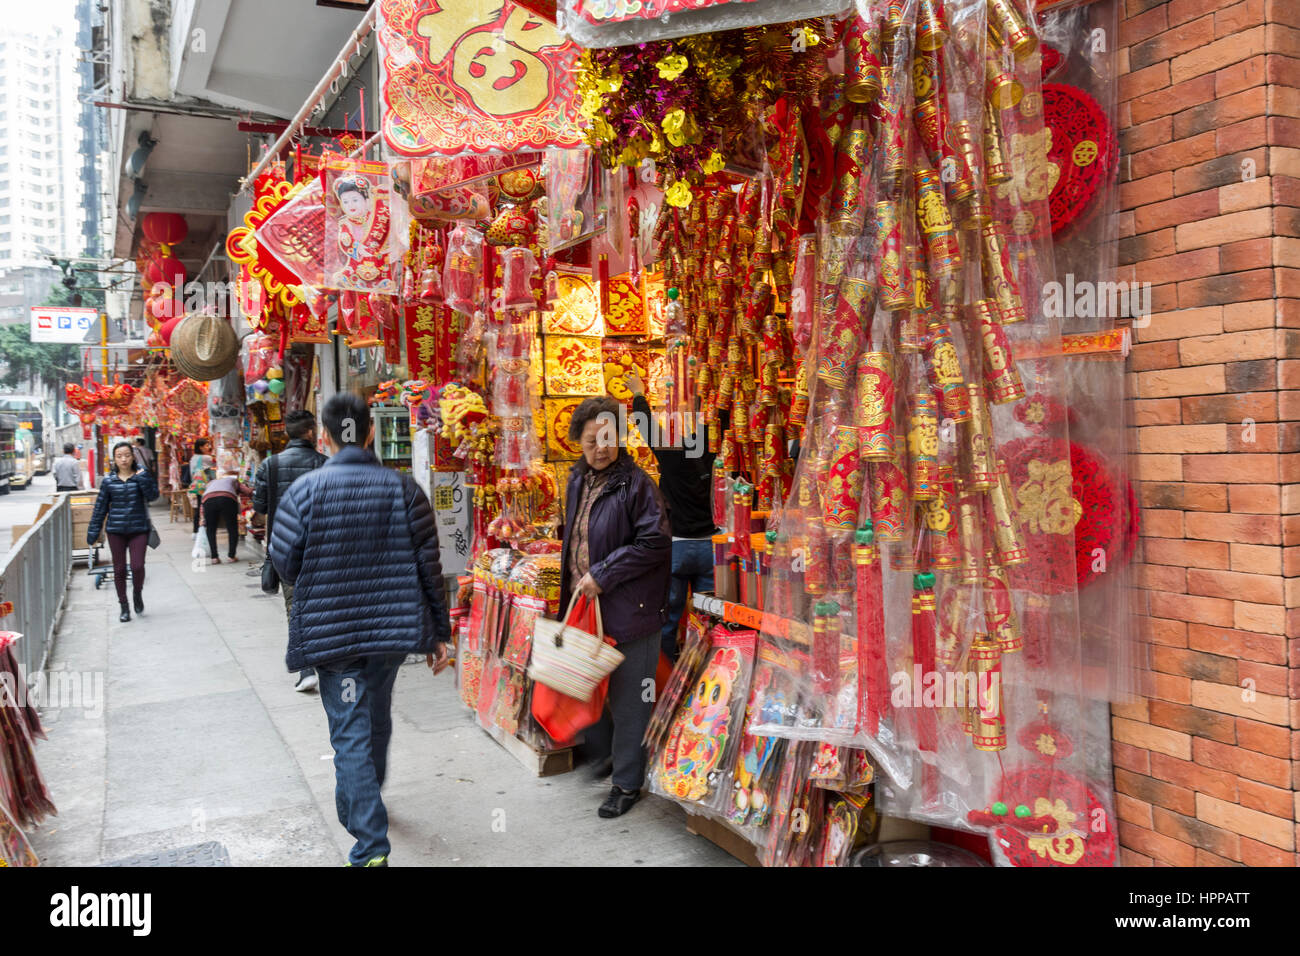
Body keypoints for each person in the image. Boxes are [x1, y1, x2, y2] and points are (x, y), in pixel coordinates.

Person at [270, 392, 451, 867]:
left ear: (324, 437)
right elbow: (429, 566)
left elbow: (285, 565)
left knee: (350, 730)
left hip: (334, 637)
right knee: (375, 720)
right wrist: (440, 633)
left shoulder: (304, 492)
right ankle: (364, 806)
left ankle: (370, 846)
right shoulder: (404, 489)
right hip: (390, 634)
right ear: (370, 432)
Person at [558, 396, 671, 819]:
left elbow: (654, 542)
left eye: (607, 439)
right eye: (591, 442)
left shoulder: (637, 485)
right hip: (586, 606)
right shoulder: (577, 480)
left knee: (629, 700)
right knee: (583, 685)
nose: (601, 449)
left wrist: (603, 573)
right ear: (578, 443)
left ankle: (626, 784)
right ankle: (606, 755)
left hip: (630, 610)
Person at [625, 370, 716, 663]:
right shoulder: (714, 452)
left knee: (668, 616)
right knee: (709, 614)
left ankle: (665, 681)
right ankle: (708, 673)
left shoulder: (674, 453)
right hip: (712, 547)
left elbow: (646, 425)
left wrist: (639, 392)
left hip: (677, 545)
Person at [253, 410, 328, 694]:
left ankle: (306, 670)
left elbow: (259, 510)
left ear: (288, 433)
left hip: (286, 547)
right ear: (311, 432)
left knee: (295, 606)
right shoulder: (326, 465)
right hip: (322, 547)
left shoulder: (270, 466)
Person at [86, 441, 160, 622]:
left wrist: (143, 478)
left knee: (137, 566)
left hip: (139, 529)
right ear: (114, 459)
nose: (124, 459)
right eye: (119, 456)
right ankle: (124, 606)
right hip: (116, 531)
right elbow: (100, 508)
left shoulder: (141, 475)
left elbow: (153, 496)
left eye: (127, 455)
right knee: (119, 569)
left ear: (133, 456)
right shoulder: (109, 481)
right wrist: (93, 531)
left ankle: (137, 593)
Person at [201, 467, 250, 564]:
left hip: (208, 500)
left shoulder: (211, 483)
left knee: (211, 529)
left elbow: (203, 500)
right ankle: (231, 556)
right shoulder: (234, 480)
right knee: (232, 527)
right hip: (227, 499)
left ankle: (214, 558)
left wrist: (202, 517)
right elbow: (247, 491)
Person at [188, 438, 216, 535]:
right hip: (206, 486)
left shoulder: (193, 458)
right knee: (206, 507)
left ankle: (195, 530)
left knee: (199, 508)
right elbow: (216, 464)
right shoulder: (206, 458)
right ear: (200, 447)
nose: (209, 447)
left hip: (198, 486)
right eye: (206, 445)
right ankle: (206, 529)